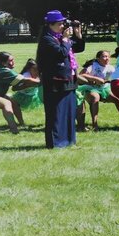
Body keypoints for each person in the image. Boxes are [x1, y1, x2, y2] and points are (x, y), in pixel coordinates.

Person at [36, 9, 85, 149]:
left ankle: (69, 141)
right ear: (50, 25)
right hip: (55, 82)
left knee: (69, 112)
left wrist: (78, 34)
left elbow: (78, 47)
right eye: (60, 23)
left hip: (68, 80)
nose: (63, 26)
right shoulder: (47, 39)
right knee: (56, 113)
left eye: (63, 23)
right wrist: (64, 39)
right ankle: (56, 143)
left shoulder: (60, 37)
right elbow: (61, 53)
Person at [75, 51, 114, 130]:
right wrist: (95, 79)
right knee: (95, 98)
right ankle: (94, 124)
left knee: (118, 99)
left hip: (104, 88)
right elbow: (81, 75)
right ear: (98, 59)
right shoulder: (92, 66)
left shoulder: (111, 68)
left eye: (108, 56)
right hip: (89, 88)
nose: (107, 58)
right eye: (104, 56)